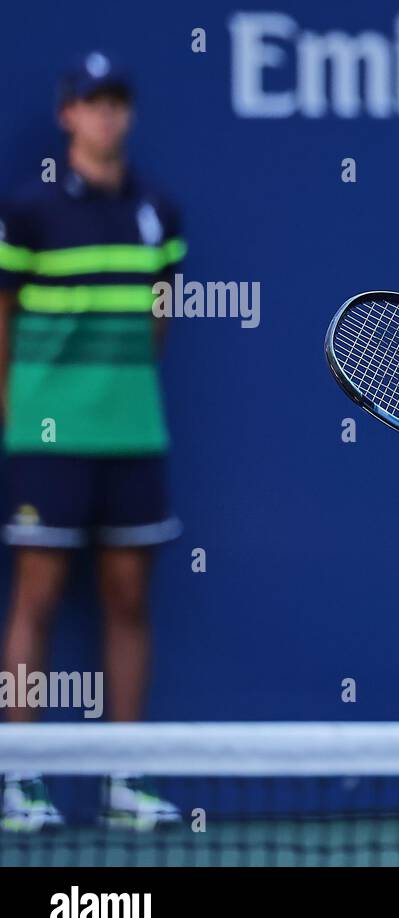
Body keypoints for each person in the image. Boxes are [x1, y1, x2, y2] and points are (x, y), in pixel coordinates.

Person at [0, 53, 183, 832]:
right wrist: (23, 415)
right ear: (68, 114)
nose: (106, 115)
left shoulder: (158, 214)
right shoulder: (27, 215)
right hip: (47, 438)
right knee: (36, 596)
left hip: (133, 435)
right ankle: (18, 777)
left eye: (117, 102)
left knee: (129, 599)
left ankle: (123, 781)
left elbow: (158, 325)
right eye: (91, 103)